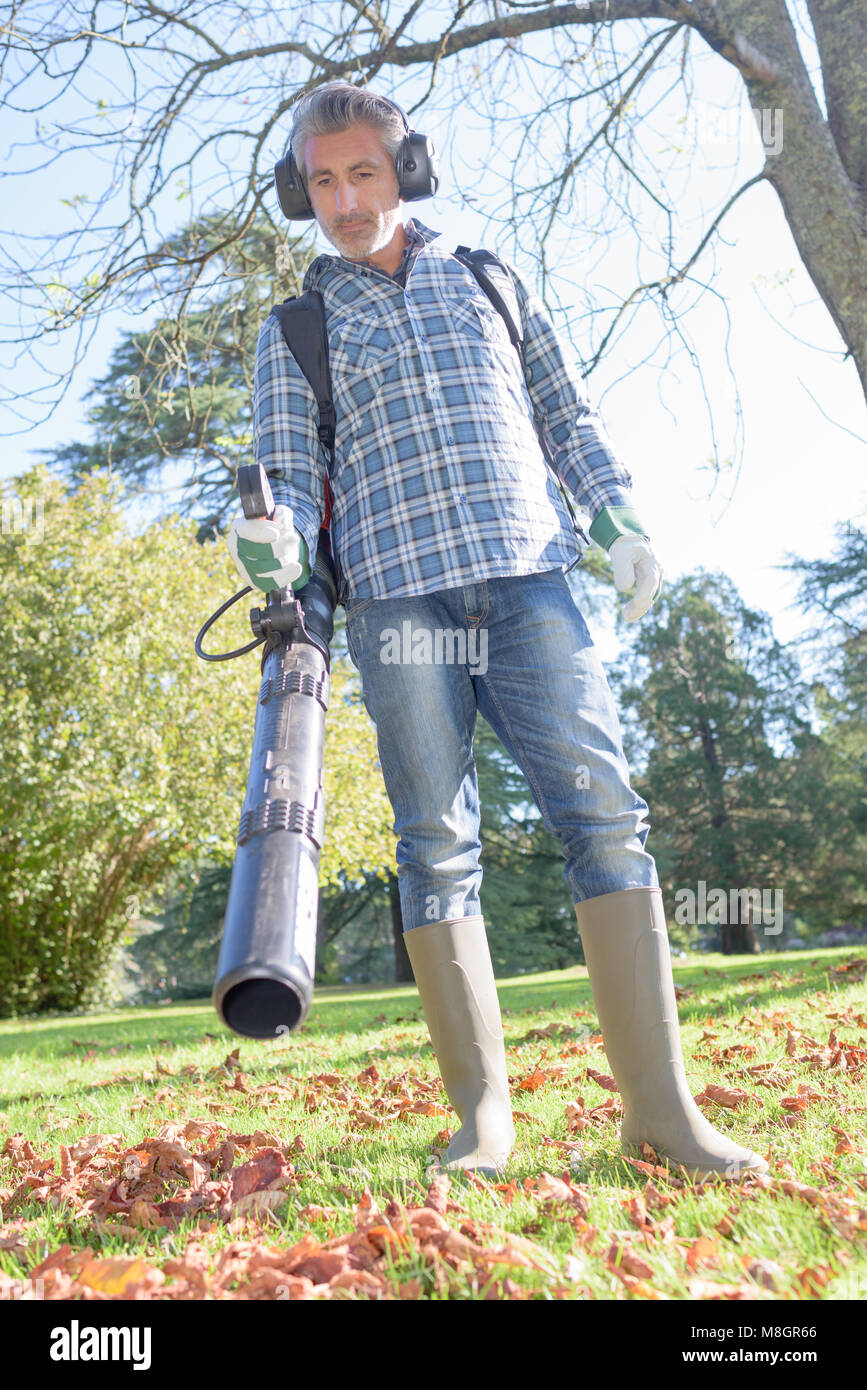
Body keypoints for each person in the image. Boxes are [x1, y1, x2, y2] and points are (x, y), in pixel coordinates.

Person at [227, 81, 768, 1184]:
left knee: (606, 819)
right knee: (436, 843)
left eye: (363, 172)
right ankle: (484, 1120)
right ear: (301, 191)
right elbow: (284, 473)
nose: (344, 199)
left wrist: (614, 512)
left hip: (532, 580)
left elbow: (564, 412)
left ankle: (661, 1113)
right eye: (322, 181)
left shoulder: (487, 277)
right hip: (397, 601)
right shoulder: (298, 329)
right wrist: (271, 540)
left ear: (405, 168)